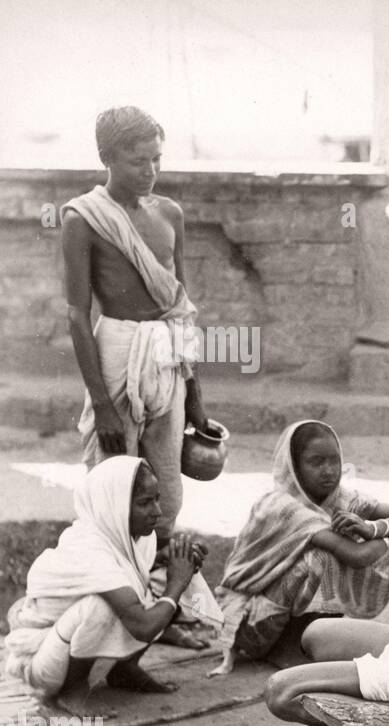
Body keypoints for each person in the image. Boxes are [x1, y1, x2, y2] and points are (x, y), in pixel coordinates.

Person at [62, 106, 218, 548]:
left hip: (168, 356)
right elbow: (77, 313)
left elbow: (180, 307)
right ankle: (114, 580)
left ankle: (161, 573)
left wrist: (195, 396)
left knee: (166, 487)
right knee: (113, 482)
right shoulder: (84, 219)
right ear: (107, 158)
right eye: (138, 161)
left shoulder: (169, 214)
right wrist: (102, 404)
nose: (151, 171)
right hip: (117, 352)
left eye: (157, 158)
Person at [209, 420, 389, 676]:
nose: (329, 471)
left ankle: (315, 640)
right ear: (295, 467)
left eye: (334, 461)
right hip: (249, 621)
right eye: (316, 462)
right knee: (321, 558)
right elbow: (358, 556)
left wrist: (376, 529)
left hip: (274, 611)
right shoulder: (283, 506)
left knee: (342, 549)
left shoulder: (340, 498)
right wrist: (387, 536)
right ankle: (289, 645)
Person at [3, 457, 214, 706]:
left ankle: (124, 670)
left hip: (68, 646)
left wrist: (175, 559)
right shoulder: (89, 548)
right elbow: (143, 626)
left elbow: (135, 575)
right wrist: (177, 582)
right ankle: (72, 692)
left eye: (156, 499)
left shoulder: (134, 537)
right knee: (102, 604)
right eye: (145, 503)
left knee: (162, 576)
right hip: (40, 664)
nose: (157, 511)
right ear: (115, 507)